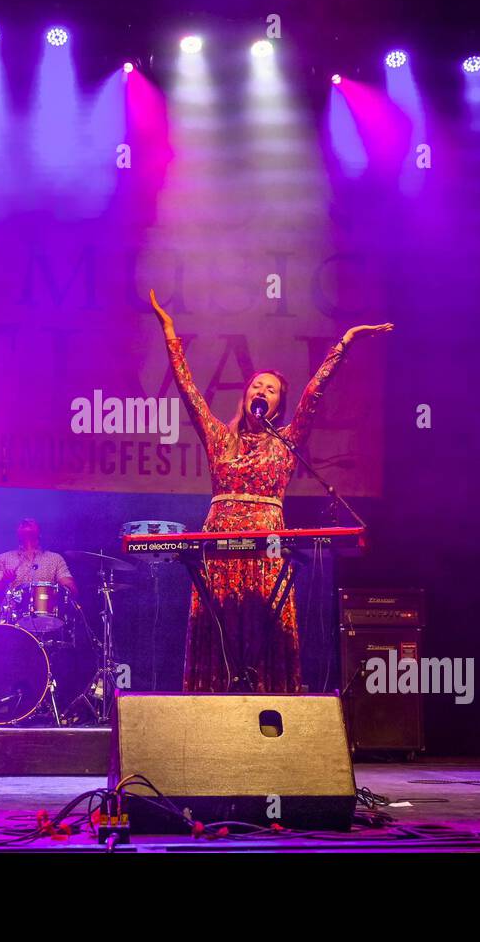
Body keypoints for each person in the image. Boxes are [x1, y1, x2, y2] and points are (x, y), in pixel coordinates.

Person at [149, 288, 392, 692]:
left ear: (278, 405)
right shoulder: (218, 438)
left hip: (268, 543)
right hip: (221, 540)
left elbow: (314, 394)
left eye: (271, 389)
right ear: (245, 395)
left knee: (265, 623)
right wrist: (170, 330)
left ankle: (269, 699)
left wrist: (345, 342)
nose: (261, 391)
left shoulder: (286, 440)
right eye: (256, 386)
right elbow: (187, 389)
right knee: (219, 624)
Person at [0, 518, 79, 603]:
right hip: (12, 615)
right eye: (23, 522)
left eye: (31, 521)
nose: (26, 521)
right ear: (17, 533)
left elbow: (71, 590)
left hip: (46, 614)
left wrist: (65, 589)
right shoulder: (3, 558)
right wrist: (3, 580)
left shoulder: (55, 559)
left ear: (40, 533)